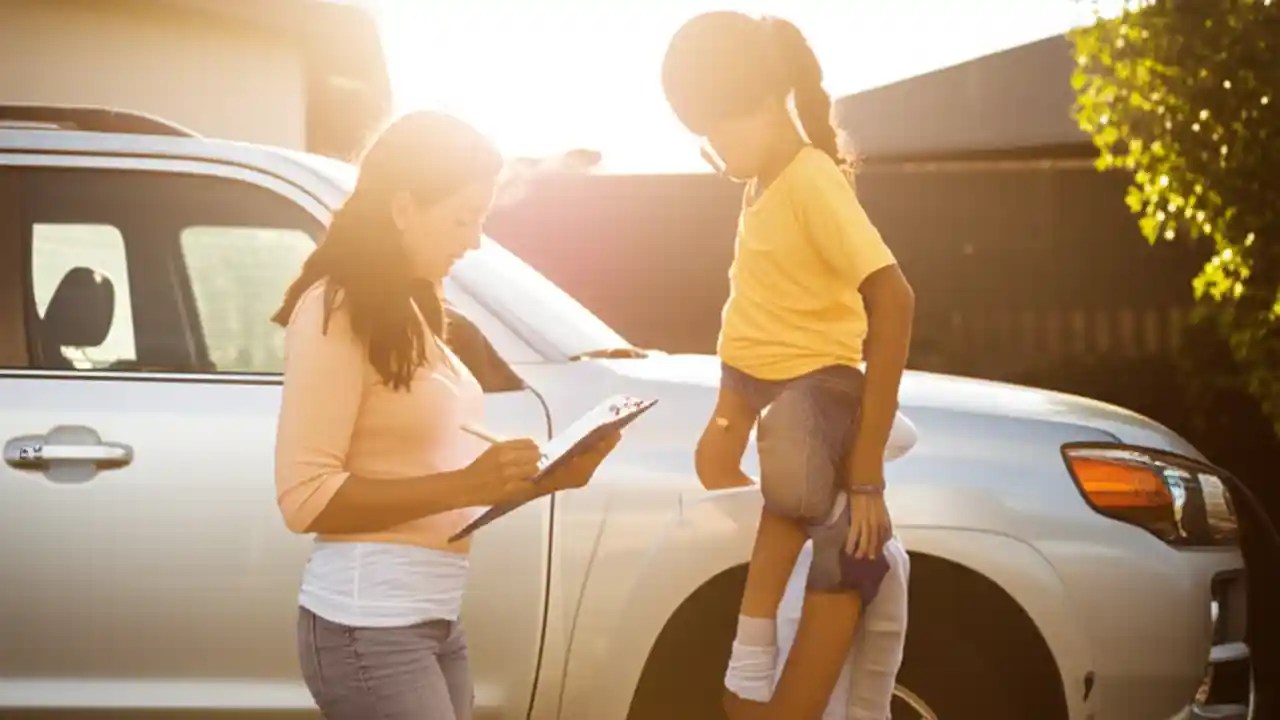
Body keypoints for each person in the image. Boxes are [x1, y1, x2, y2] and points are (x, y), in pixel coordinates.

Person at [271, 111, 618, 720]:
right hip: (366, 625)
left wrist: (541, 482)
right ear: (404, 207)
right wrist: (470, 483)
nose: (475, 240)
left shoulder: (413, 313)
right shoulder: (333, 308)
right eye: (464, 218)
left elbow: (428, 490)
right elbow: (305, 498)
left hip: (430, 616)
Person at [662, 12, 916, 720]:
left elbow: (893, 298)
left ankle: (777, 652)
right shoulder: (760, 183)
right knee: (722, 467)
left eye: (715, 130)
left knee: (799, 495)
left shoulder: (810, 179)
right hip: (751, 378)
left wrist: (864, 471)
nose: (712, 149)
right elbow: (762, 294)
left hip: (815, 381)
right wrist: (729, 386)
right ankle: (811, 521)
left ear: (765, 99)